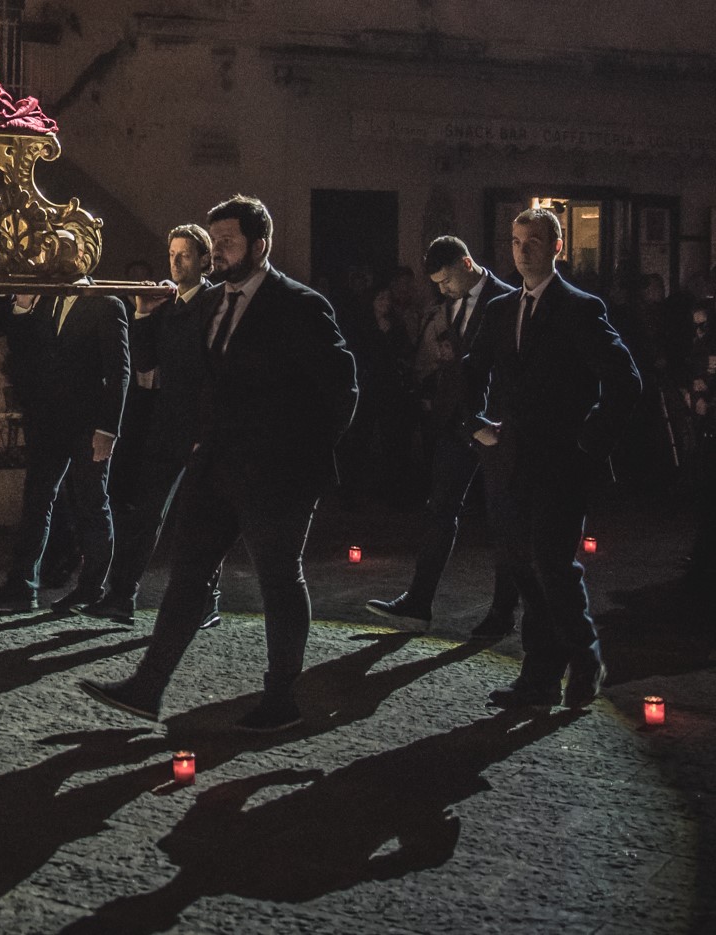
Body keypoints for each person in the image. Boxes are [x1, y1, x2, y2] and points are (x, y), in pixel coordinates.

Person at [80, 194, 358, 732]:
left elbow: (340, 393)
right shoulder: (208, 304)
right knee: (187, 578)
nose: (217, 253)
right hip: (213, 467)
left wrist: (301, 463)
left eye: (228, 241)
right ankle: (147, 688)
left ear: (261, 244)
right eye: (215, 243)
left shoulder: (299, 305)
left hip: (276, 476)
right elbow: (169, 365)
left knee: (277, 581)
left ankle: (281, 700)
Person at [464, 207, 641, 711]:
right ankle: (544, 676)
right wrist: (472, 422)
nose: (522, 250)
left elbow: (625, 380)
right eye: (517, 241)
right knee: (521, 565)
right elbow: (472, 369)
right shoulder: (501, 310)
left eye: (534, 241)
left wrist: (590, 441)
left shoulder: (579, 308)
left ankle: (580, 662)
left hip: (563, 463)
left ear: (557, 247)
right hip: (511, 460)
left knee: (552, 565)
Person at [365, 236, 519, 637]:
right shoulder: (451, 304)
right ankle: (418, 602)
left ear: (466, 263)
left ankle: (503, 613)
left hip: (496, 426)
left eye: (446, 280)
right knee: (439, 510)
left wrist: (497, 422)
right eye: (436, 283)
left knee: (504, 520)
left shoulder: (507, 301)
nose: (441, 289)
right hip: (458, 422)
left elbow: (508, 369)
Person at [88, 224, 220, 627]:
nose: (176, 263)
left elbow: (211, 370)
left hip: (199, 430)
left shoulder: (215, 304)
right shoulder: (170, 304)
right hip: (166, 428)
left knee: (199, 519)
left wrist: (207, 431)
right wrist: (144, 312)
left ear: (204, 260)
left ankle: (207, 602)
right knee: (145, 515)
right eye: (172, 254)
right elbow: (145, 362)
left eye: (184, 255)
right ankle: (122, 596)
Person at [0, 283, 130, 613]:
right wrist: (20, 304)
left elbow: (119, 370)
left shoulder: (105, 304)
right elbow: (21, 347)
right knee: (36, 499)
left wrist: (109, 428)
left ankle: (91, 588)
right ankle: (22, 585)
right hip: (49, 421)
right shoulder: (45, 298)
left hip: (89, 423)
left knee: (91, 501)